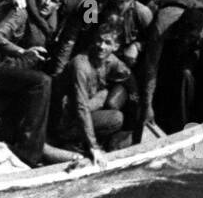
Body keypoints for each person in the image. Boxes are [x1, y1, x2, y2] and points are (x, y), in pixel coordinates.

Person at [0, 0, 63, 166]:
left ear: (58, 6)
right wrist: (21, 51)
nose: (46, 2)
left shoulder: (51, 23)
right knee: (42, 82)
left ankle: (48, 144)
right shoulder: (22, 14)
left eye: (53, 0)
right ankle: (28, 153)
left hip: (20, 73)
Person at [45, 27, 136, 166]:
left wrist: (133, 124)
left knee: (107, 96)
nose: (101, 46)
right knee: (116, 118)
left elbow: (129, 77)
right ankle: (73, 143)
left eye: (107, 42)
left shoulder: (111, 60)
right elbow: (81, 107)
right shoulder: (81, 65)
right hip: (65, 119)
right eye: (99, 41)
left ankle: (92, 140)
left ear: (115, 46)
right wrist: (94, 146)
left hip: (83, 110)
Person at [145, 6, 203, 135]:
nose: (187, 40)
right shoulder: (162, 27)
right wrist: (147, 105)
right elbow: (151, 68)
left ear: (201, 33)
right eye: (185, 36)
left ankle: (185, 123)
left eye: (192, 37)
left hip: (193, 51)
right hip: (169, 45)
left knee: (186, 76)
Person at [50, 0, 153, 74]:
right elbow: (82, 29)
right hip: (95, 53)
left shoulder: (141, 12)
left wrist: (136, 46)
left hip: (120, 60)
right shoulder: (97, 1)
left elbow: (153, 40)